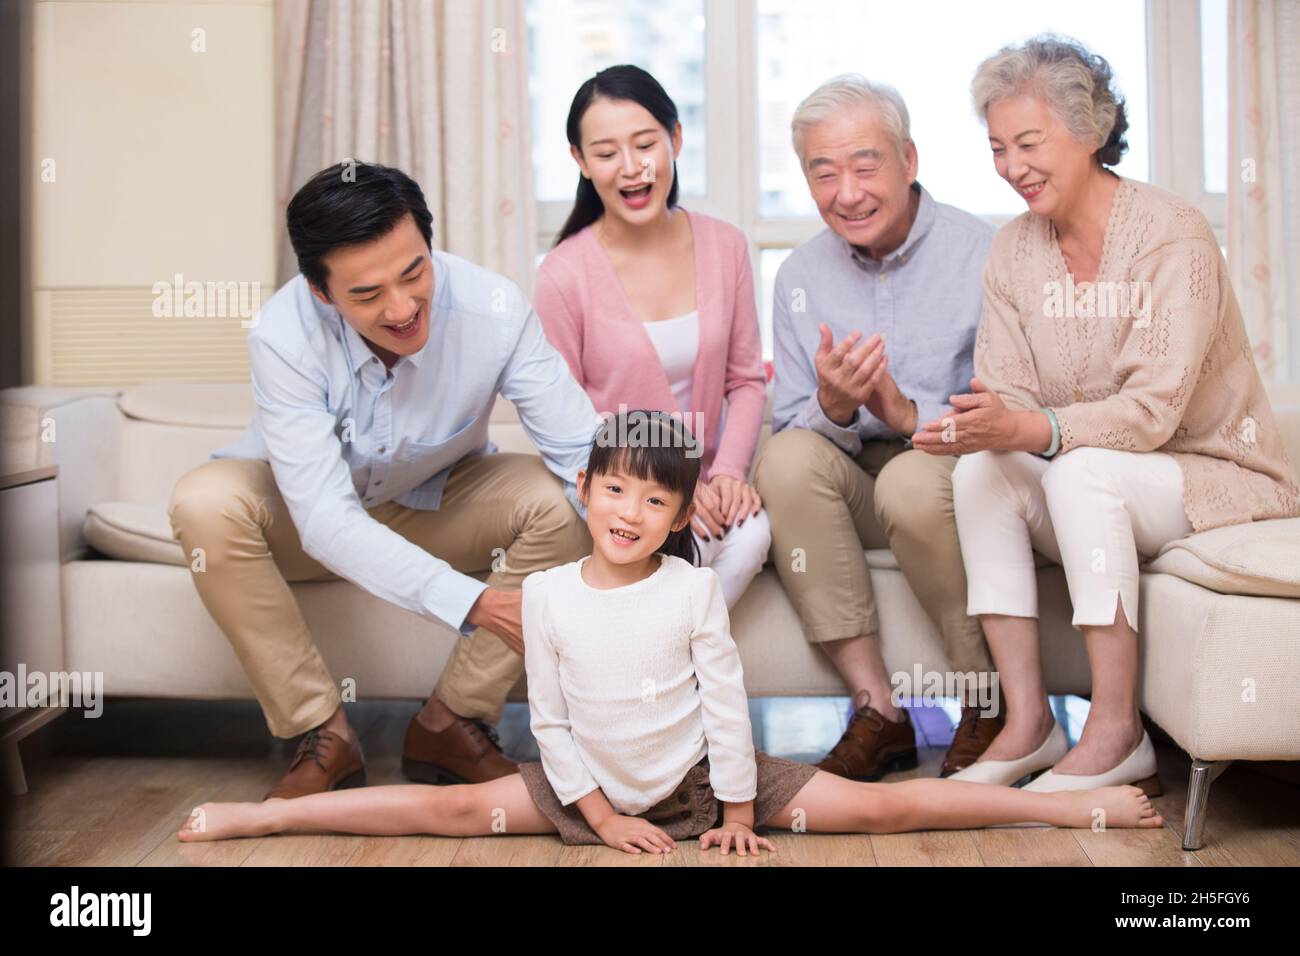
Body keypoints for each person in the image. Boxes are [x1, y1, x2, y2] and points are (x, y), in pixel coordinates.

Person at [177, 411, 1165, 852]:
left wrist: (736, 809)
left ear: (678, 515)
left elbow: (726, 705)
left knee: (884, 812)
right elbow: (552, 721)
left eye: (653, 501)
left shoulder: (692, 591)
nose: (627, 513)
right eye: (612, 491)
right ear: (584, 490)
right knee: (437, 812)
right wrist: (600, 815)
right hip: (592, 786)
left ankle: (1067, 808)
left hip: (705, 779)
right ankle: (263, 817)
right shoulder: (554, 592)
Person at [914, 35, 1300, 793]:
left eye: (1029, 142)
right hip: (1095, 484)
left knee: (1084, 470)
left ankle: (1117, 732)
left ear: (1090, 129)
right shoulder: (1013, 251)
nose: (1012, 166)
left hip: (1213, 478)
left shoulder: (1171, 233)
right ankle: (1027, 722)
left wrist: (1034, 429)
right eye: (997, 148)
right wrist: (984, 427)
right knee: (980, 475)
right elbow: (1010, 394)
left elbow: (1153, 414)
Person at [168, 161, 602, 800]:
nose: (402, 309)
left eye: (415, 272)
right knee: (203, 502)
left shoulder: (494, 309)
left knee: (567, 503)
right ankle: (323, 734)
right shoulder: (283, 334)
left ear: (429, 244)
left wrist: (656, 539)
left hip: (432, 502)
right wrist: (473, 602)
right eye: (367, 295)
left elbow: (581, 454)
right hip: (301, 514)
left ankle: (452, 723)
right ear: (321, 291)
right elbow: (323, 517)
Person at [753, 75, 1002, 781]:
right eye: (823, 173)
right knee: (785, 461)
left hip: (949, 473)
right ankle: (879, 711)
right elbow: (795, 427)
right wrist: (834, 406)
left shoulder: (979, 255)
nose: (847, 192)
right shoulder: (798, 275)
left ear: (909, 160)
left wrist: (907, 414)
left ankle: (988, 699)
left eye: (865, 166)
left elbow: (1006, 412)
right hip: (857, 478)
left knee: (911, 482)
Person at [533, 65, 770, 609]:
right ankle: (657, 673)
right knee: (660, 553)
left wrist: (730, 475)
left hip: (706, 480)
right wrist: (652, 489)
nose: (631, 168)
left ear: (676, 140)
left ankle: (674, 669)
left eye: (645, 145)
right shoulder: (563, 274)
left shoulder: (726, 246)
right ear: (580, 161)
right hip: (622, 487)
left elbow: (747, 381)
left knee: (753, 533)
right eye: (606, 152)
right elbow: (559, 411)